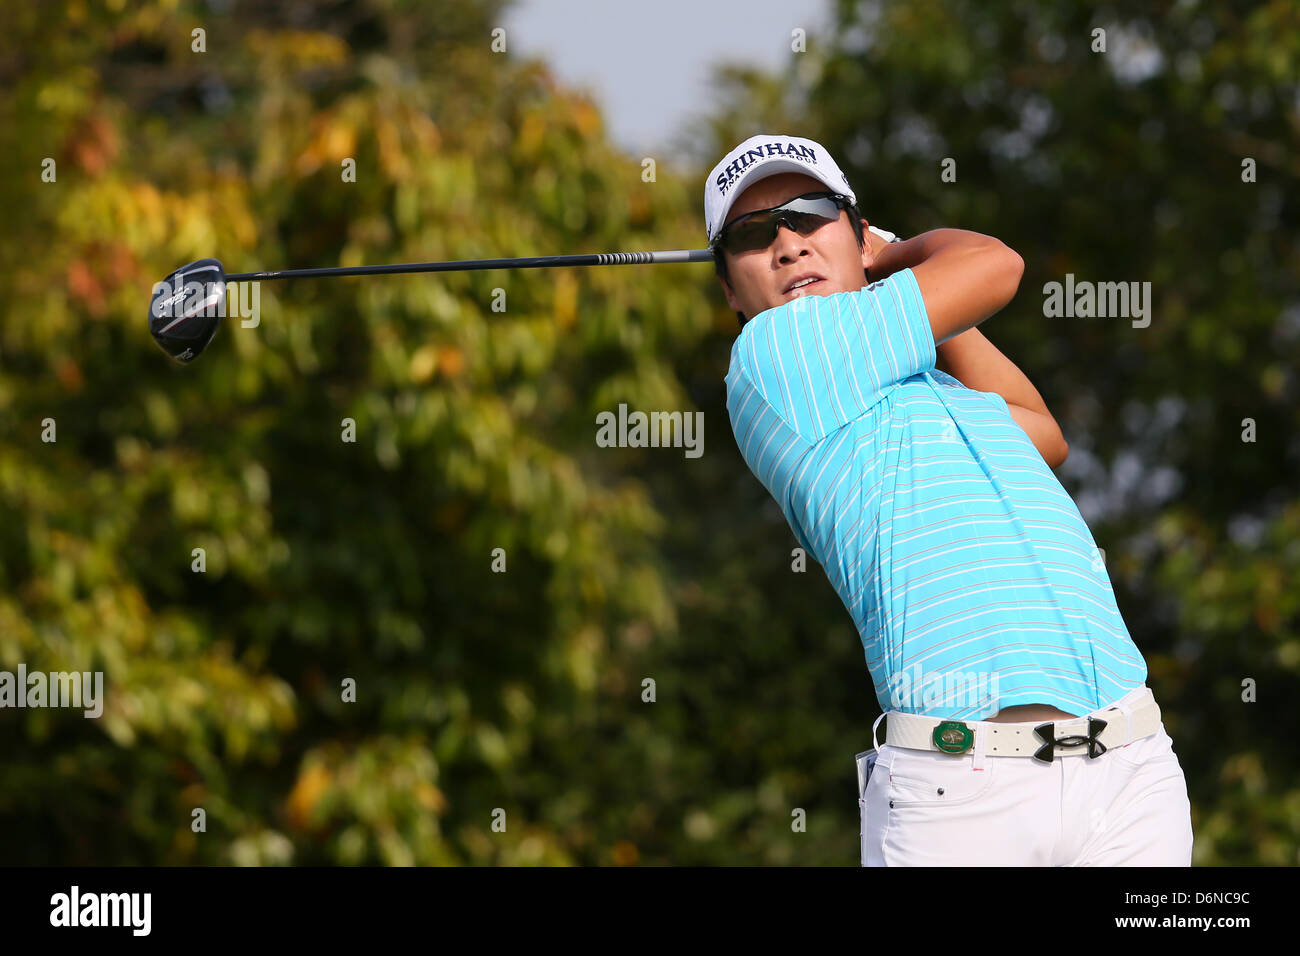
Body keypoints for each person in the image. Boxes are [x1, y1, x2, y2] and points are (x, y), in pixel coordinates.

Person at [706, 133, 1193, 866]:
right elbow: (996, 265)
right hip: (959, 790)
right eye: (752, 234)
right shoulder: (776, 357)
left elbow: (1041, 436)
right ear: (730, 292)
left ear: (853, 228)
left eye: (809, 213)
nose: (787, 244)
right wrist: (895, 252)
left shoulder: (923, 387)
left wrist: (882, 263)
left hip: (1127, 765)